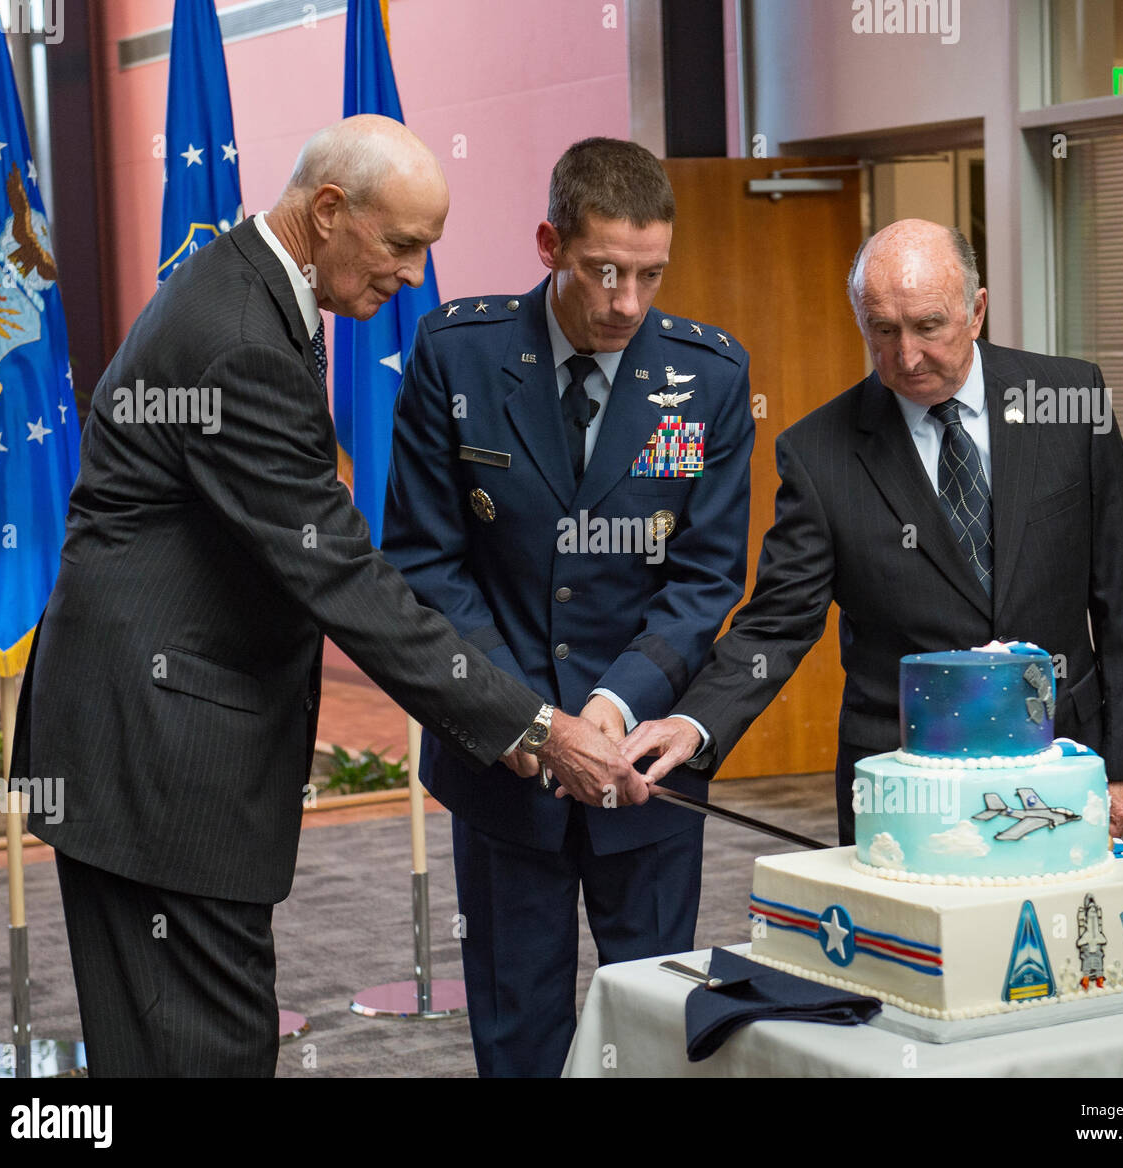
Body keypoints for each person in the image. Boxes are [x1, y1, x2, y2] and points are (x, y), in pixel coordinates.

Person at [10, 115, 646, 1078]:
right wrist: (535, 727)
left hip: (146, 749)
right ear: (330, 210)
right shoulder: (240, 341)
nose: (414, 276)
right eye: (401, 245)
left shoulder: (250, 292)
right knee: (203, 1054)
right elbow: (342, 575)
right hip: (162, 765)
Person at [383, 137, 755, 1077]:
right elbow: (427, 563)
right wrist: (535, 722)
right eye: (604, 272)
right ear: (550, 244)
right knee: (519, 1036)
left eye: (650, 274)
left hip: (642, 773)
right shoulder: (456, 355)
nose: (628, 301)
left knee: (654, 1030)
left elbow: (705, 576)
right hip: (503, 768)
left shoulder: (706, 376)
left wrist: (610, 708)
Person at [620, 218, 1123, 844]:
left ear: (977, 311)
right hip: (901, 771)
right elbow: (779, 622)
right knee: (910, 943)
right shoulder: (820, 452)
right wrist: (694, 722)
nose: (906, 357)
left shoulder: (1069, 399)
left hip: (1062, 751)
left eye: (929, 326)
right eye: (883, 331)